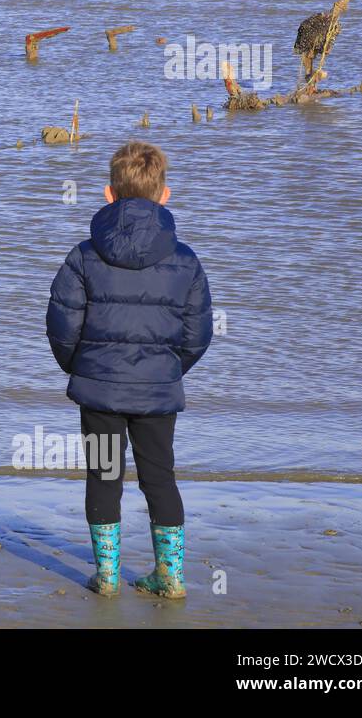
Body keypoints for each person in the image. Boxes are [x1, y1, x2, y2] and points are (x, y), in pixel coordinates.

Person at [46, 140, 212, 598]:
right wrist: (167, 370)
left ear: (108, 193)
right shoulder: (186, 260)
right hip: (158, 390)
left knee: (103, 476)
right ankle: (171, 576)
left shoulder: (83, 255)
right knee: (160, 477)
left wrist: (81, 370)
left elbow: (61, 325)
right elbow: (198, 335)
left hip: (99, 391)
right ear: (165, 195)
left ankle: (106, 577)